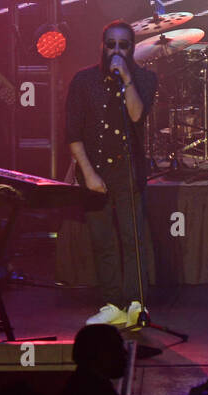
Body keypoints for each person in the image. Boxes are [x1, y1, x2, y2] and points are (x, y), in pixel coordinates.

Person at [65, 20, 158, 326]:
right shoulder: (83, 80)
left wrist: (127, 77)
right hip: (93, 167)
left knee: (134, 238)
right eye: (111, 44)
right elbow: (73, 134)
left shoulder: (144, 78)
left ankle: (135, 304)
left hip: (127, 167)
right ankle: (112, 304)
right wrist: (88, 174)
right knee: (102, 239)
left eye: (124, 44)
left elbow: (136, 115)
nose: (116, 50)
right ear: (102, 45)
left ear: (132, 48)